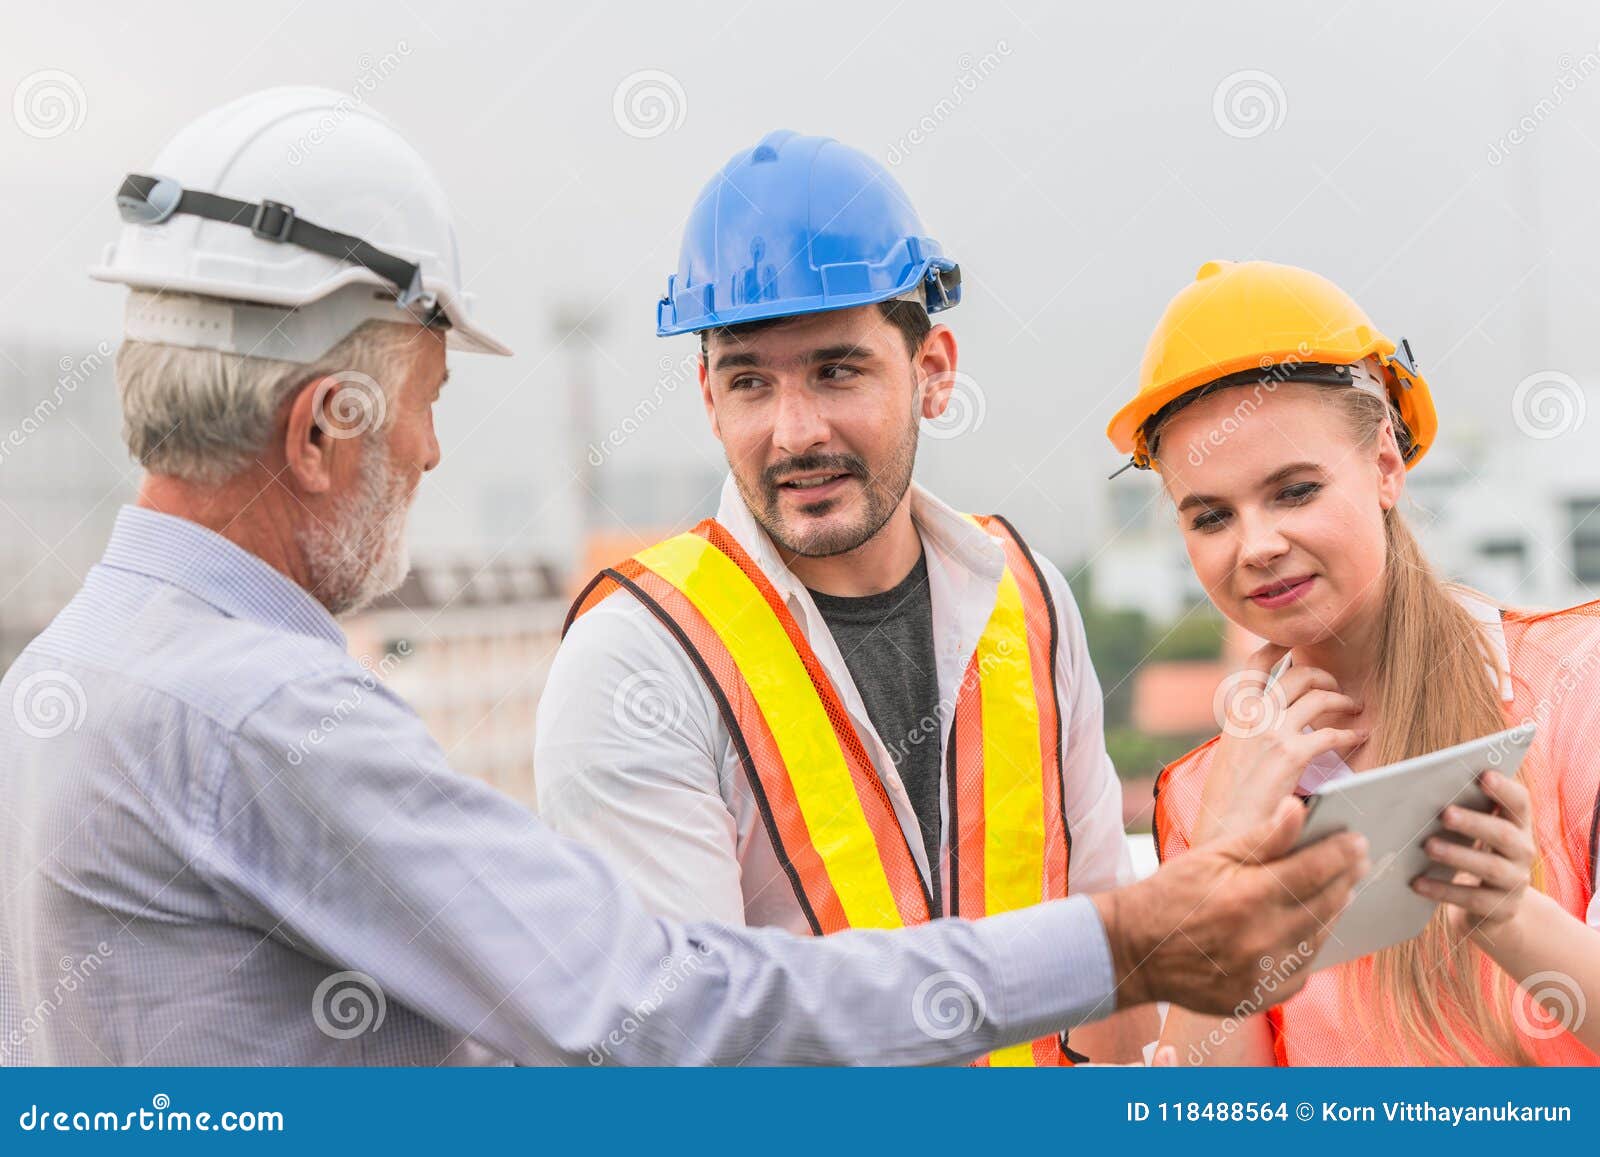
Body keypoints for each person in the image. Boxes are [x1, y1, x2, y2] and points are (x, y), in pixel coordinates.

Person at [0, 94, 1367, 1067]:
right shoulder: (284, 716)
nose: (425, 447)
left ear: (928, 370)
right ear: (318, 431)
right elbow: (662, 1029)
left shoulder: (62, 684)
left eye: (839, 367)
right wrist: (1125, 935)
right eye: (425, 401)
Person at [537, 130, 1145, 1064]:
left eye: (836, 369)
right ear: (709, 397)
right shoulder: (638, 658)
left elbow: (1119, 956)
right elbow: (685, 1049)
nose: (795, 432)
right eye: (750, 381)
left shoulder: (1028, 597)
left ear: (933, 369)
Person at [1106, 259, 1600, 1066]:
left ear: (1384, 465)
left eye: (1295, 490)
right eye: (1211, 516)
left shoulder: (1579, 688)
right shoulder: (1206, 795)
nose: (1257, 545)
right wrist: (1221, 876)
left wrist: (1511, 916)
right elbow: (1208, 1121)